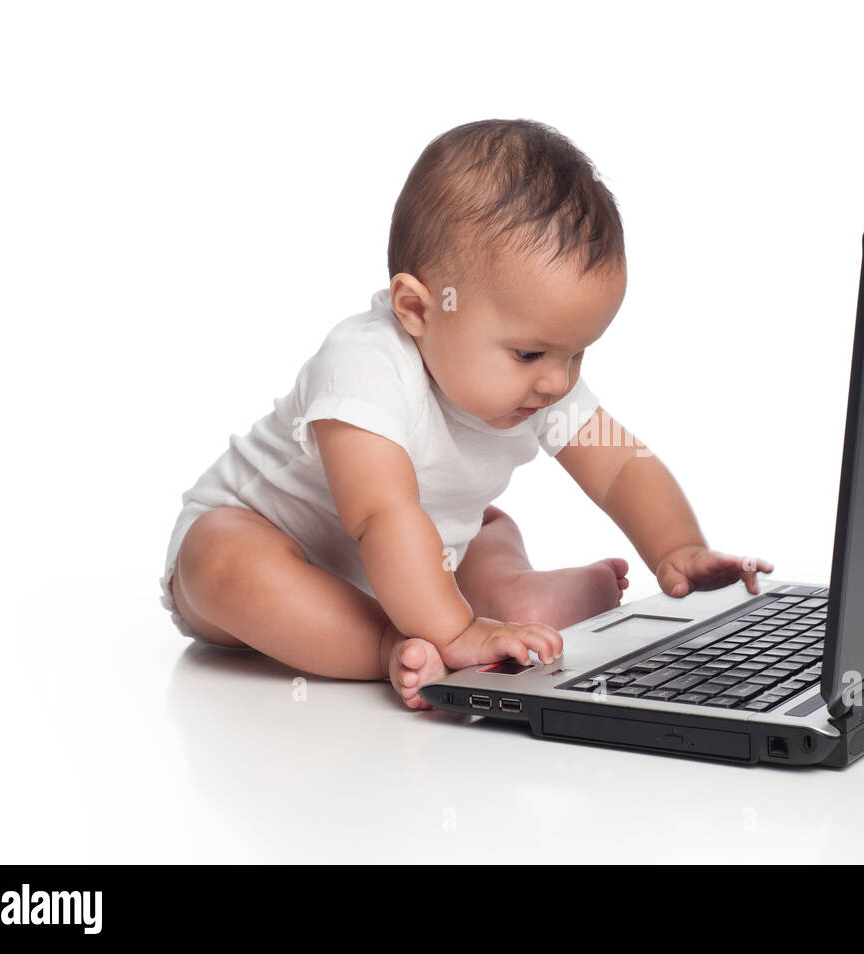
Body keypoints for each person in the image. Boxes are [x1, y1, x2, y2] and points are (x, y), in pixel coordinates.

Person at [159, 118, 774, 709]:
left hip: (424, 566)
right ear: (417, 308)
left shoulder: (539, 382)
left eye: (577, 353)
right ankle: (387, 641)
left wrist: (679, 546)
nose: (557, 380)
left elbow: (621, 465)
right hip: (271, 556)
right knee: (220, 558)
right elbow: (381, 515)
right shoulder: (363, 366)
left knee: (486, 527)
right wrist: (450, 635)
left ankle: (513, 598)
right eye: (530, 352)